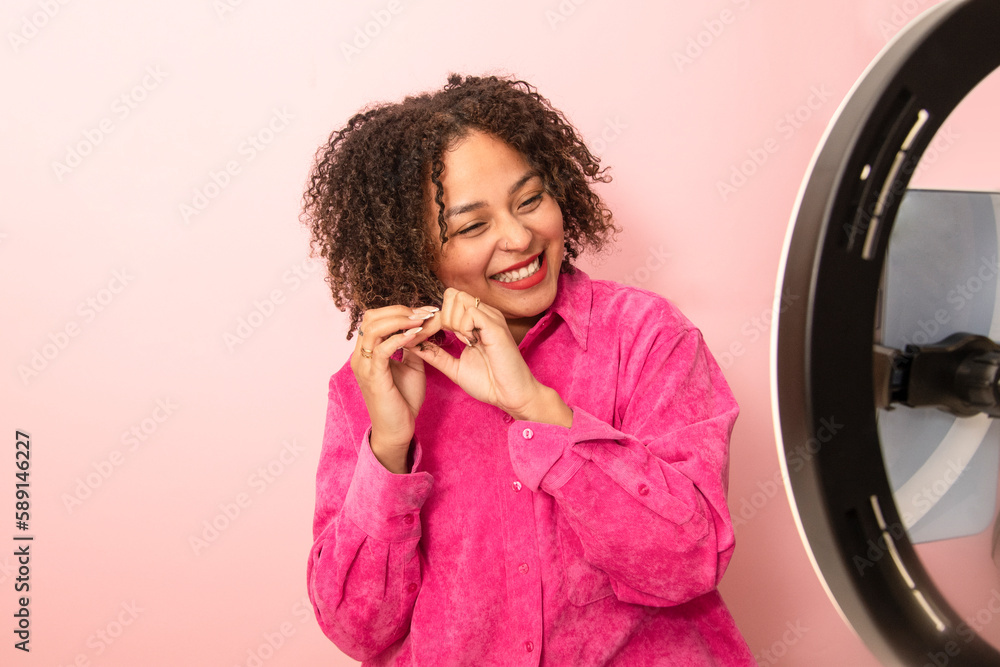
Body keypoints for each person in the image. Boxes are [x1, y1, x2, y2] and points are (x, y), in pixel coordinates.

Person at [302, 73, 754, 666]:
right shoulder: (376, 382)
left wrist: (542, 411)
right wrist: (389, 446)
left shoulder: (647, 337)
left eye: (530, 199)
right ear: (412, 247)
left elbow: (687, 563)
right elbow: (359, 630)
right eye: (471, 226)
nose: (519, 236)